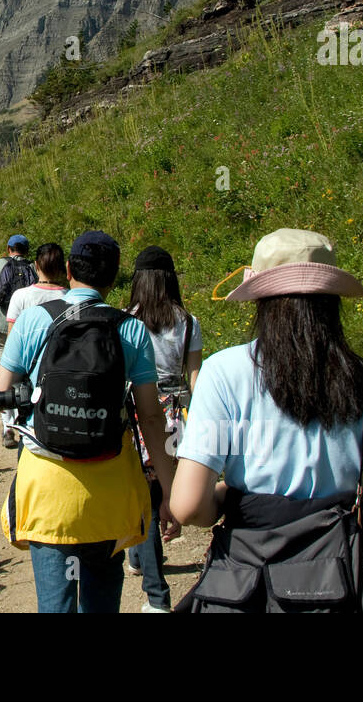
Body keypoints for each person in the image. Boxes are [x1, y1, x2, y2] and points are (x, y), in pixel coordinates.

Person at [170, 228, 363, 611]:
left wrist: (230, 499)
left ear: (260, 300)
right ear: (332, 303)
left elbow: (188, 506)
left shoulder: (223, 372)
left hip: (247, 588)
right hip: (337, 588)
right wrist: (358, 507)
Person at [0, 231, 178, 613]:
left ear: (67, 269)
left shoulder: (32, 320)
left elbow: (4, 393)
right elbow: (150, 417)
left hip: (46, 486)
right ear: (114, 279)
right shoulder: (130, 330)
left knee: (55, 605)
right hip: (110, 490)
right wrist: (170, 493)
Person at [121, 245, 202, 612]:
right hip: (174, 414)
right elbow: (195, 379)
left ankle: (157, 596)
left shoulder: (125, 320)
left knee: (146, 496)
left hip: (139, 410)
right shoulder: (188, 321)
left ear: (138, 281)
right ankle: (142, 558)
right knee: (158, 491)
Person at [0, 242, 67, 449]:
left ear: (36, 265)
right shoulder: (69, 296)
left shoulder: (21, 296)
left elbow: (12, 338)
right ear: (64, 267)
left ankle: (9, 429)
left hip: (28, 365)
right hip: (60, 364)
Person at [0, 234, 35, 365]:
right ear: (26, 250)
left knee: (2, 368)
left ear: (8, 248)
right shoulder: (33, 268)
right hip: (26, 326)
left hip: (0, 325)